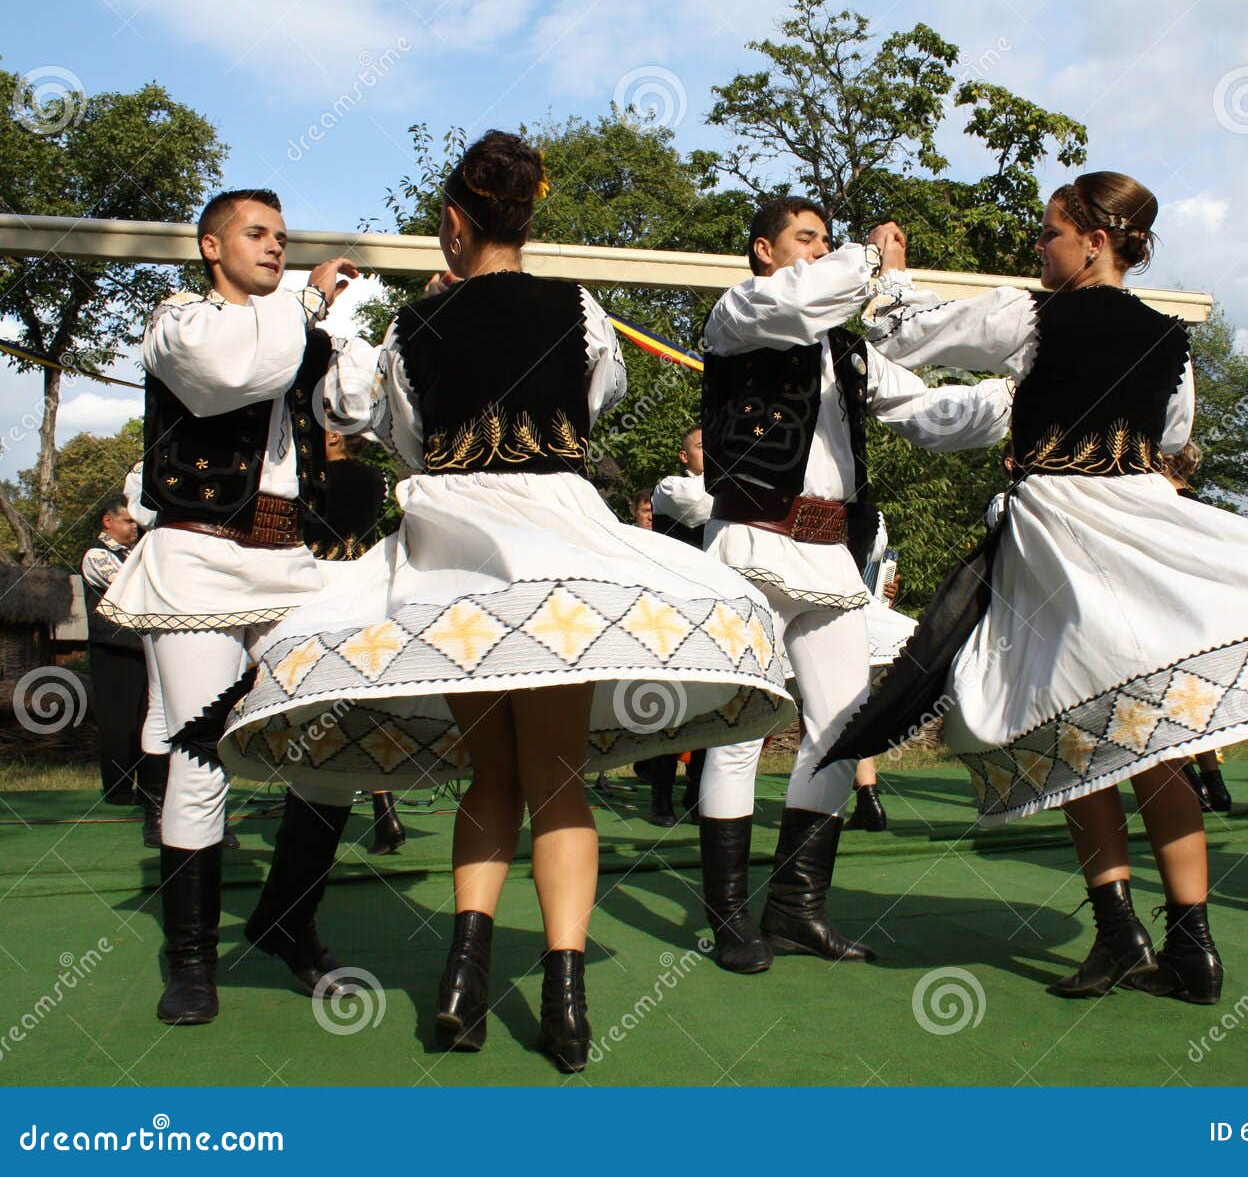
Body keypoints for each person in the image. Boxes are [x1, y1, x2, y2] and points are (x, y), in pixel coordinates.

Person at [215, 132, 790, 1069]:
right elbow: (595, 401)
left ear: (453, 222)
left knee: (490, 778)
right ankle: (565, 998)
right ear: (529, 214)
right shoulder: (581, 310)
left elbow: (395, 433)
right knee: (557, 780)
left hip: (456, 563)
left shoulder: (412, 327)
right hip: (555, 545)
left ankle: (460, 979)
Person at [864, 173, 1248, 1004]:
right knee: (1149, 736)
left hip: (1061, 538)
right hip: (1141, 529)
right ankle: (1191, 946)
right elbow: (1175, 437)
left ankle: (1120, 932)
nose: (1038, 247)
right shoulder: (1172, 342)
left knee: (1082, 730)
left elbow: (904, 334)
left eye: (1050, 232)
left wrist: (891, 266)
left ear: (1093, 240)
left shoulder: (1029, 314)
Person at [694, 197, 1012, 975]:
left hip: (831, 555)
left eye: (828, 241)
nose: (821, 250)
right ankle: (729, 917)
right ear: (764, 250)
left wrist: (1020, 396)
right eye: (806, 238)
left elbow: (932, 412)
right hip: (752, 544)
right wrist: (874, 261)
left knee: (843, 731)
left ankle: (797, 906)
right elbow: (807, 297)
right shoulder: (741, 310)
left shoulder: (848, 352)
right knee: (741, 730)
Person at [96, 188, 364, 1026]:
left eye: (282, 236)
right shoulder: (180, 321)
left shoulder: (295, 326)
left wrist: (347, 326)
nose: (276, 246)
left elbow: (353, 409)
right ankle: (192, 962)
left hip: (289, 562)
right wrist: (311, 302)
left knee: (335, 738)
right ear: (211, 246)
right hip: (202, 557)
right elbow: (232, 375)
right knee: (201, 755)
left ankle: (286, 919)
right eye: (257, 233)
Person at [301, 428, 406, 855]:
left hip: (314, 586)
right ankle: (384, 806)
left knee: (316, 700)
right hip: (360, 587)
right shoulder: (374, 479)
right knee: (358, 697)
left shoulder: (308, 477)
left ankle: (316, 803)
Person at [1159, 443, 1233, 814]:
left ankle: (1192, 786)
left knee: (1170, 703)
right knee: (1197, 702)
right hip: (1199, 612)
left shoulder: (1155, 506)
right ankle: (1215, 786)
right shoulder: (1201, 506)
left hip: (1164, 609)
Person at [649, 426, 714, 822]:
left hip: (713, 610)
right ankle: (660, 795)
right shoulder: (671, 488)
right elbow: (704, 507)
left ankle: (696, 792)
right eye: (704, 446)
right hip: (672, 611)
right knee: (666, 707)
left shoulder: (728, 486)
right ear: (683, 456)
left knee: (712, 702)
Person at [81, 494, 150, 816]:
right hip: (113, 649)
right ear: (107, 522)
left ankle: (148, 788)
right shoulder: (97, 555)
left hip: (141, 648)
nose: (133, 526)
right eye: (126, 520)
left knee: (144, 721)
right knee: (119, 721)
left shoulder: (135, 554)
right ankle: (118, 788)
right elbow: (123, 586)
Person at [847, 510, 911, 831]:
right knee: (850, 706)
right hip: (856, 615)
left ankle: (821, 807)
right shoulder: (872, 516)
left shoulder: (869, 515)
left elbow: (877, 563)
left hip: (838, 611)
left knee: (824, 707)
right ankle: (867, 799)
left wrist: (885, 592)